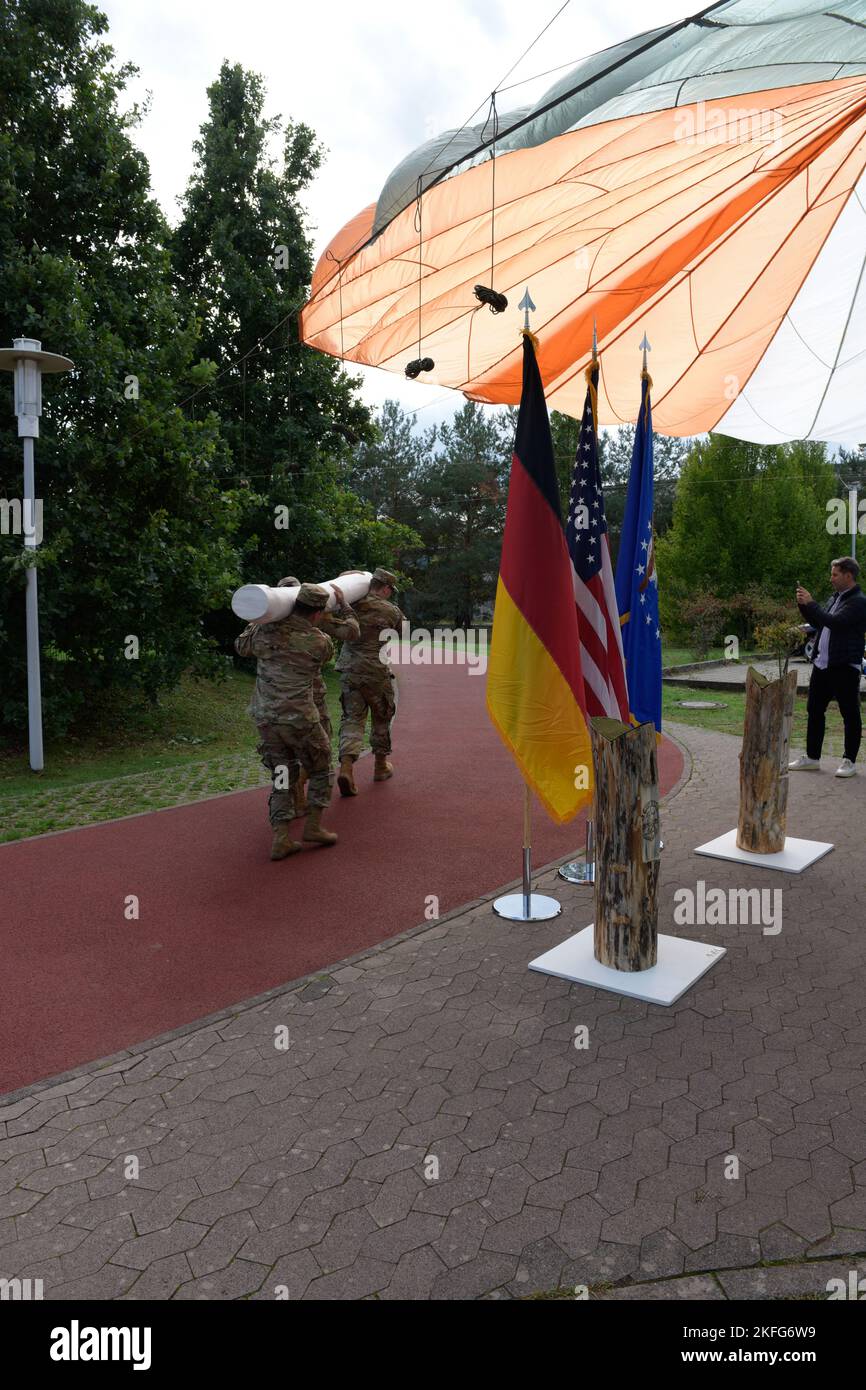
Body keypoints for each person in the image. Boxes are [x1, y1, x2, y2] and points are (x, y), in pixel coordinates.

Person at [234, 582, 340, 859]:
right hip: (300, 719)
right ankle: (314, 826)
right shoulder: (319, 641)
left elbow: (241, 646)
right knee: (321, 766)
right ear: (318, 613)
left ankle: (281, 837)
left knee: (282, 775)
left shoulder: (264, 634)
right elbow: (327, 654)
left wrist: (259, 619)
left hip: (266, 719)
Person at [276, 576, 360, 815]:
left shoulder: (265, 632)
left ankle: (285, 807)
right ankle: (309, 810)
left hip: (271, 706)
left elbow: (243, 646)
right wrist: (344, 604)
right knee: (317, 753)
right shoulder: (317, 629)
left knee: (281, 761)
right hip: (308, 701)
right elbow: (351, 632)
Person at [789, 557, 866, 778]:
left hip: (844, 666)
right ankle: (812, 758)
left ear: (848, 575)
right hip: (822, 664)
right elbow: (820, 621)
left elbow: (836, 623)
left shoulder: (859, 601)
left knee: (849, 714)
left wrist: (812, 603)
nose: (831, 579)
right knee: (814, 710)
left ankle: (849, 761)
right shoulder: (836, 598)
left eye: (835, 574)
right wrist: (804, 605)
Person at [336, 567, 405, 796]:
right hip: (376, 672)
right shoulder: (391, 611)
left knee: (352, 719)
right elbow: (402, 633)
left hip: (350, 671)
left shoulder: (350, 605)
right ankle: (380, 766)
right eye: (389, 591)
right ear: (385, 588)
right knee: (381, 715)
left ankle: (346, 767)